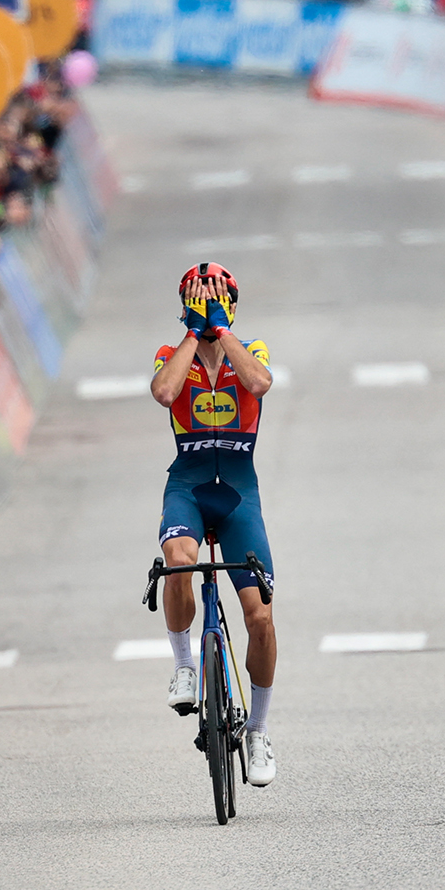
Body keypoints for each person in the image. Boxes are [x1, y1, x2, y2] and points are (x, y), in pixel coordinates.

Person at [148, 263, 277, 787]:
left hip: (239, 493)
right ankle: (185, 664)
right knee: (178, 561)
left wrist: (222, 331)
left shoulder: (254, 348)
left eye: (217, 300)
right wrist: (191, 335)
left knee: (261, 619)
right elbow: (163, 392)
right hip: (190, 486)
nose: (207, 307)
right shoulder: (170, 354)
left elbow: (259, 383)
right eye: (198, 301)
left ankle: (259, 730)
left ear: (232, 305)